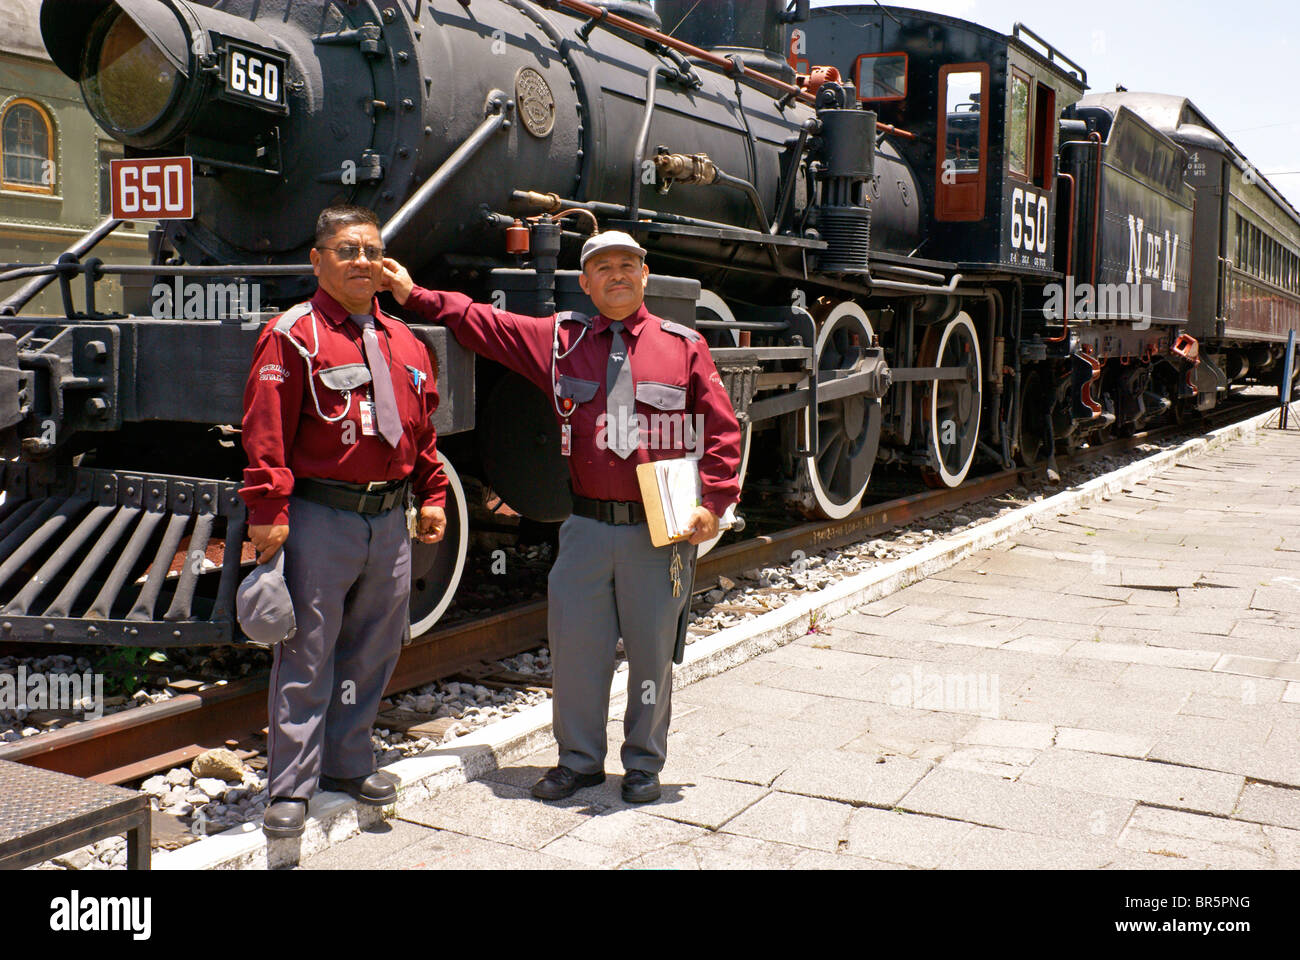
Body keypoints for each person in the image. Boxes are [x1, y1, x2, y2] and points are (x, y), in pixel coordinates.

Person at [380, 231, 741, 803]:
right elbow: (478, 321)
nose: (617, 275)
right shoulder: (559, 342)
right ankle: (578, 761)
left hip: (658, 533)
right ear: (586, 282)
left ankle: (644, 764)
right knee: (576, 652)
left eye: (628, 265)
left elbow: (722, 431)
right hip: (586, 530)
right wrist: (411, 293)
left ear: (645, 277)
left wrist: (715, 503)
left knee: (652, 655)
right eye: (603, 268)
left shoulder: (685, 345)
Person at [239, 205, 449, 839]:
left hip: (388, 519)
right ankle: (291, 787)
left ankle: (350, 762)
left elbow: (422, 431)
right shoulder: (292, 335)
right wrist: (268, 509)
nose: (361, 261)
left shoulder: (407, 342)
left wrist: (433, 493)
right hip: (320, 517)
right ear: (318, 260)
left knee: (374, 648)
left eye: (371, 251)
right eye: (347, 250)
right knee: (306, 651)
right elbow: (265, 430)